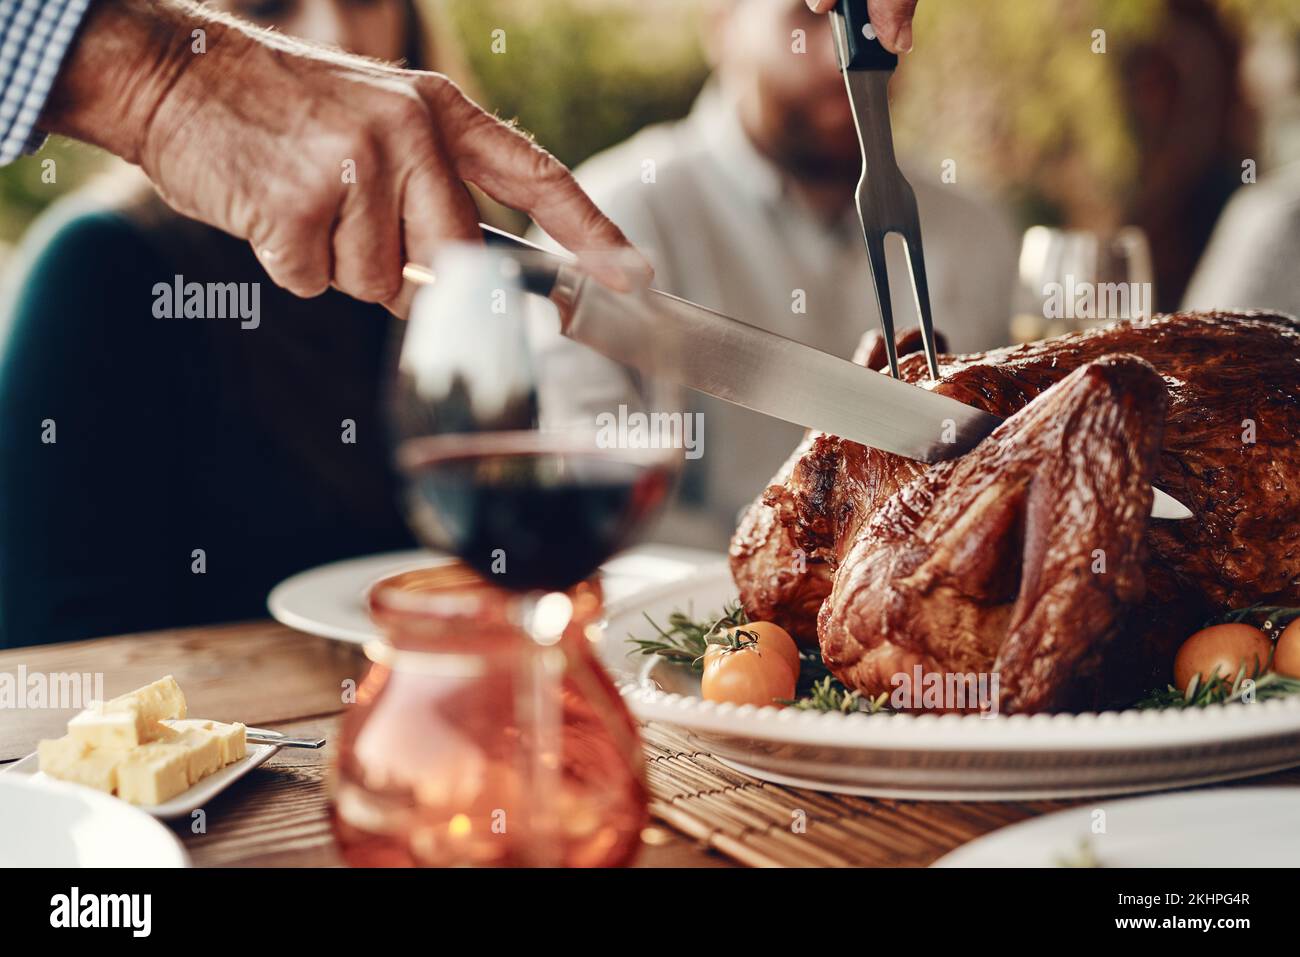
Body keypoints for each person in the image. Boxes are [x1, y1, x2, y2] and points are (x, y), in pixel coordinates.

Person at [0, 0, 465, 647]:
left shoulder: (464, 259)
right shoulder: (101, 265)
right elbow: (42, 646)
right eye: (265, 6)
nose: (335, 39)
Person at [538, 0, 1016, 548]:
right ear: (720, 24)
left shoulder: (980, 229)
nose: (847, 51)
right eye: (810, 17)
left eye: (865, 18)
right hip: (688, 623)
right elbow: (597, 506)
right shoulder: (604, 221)